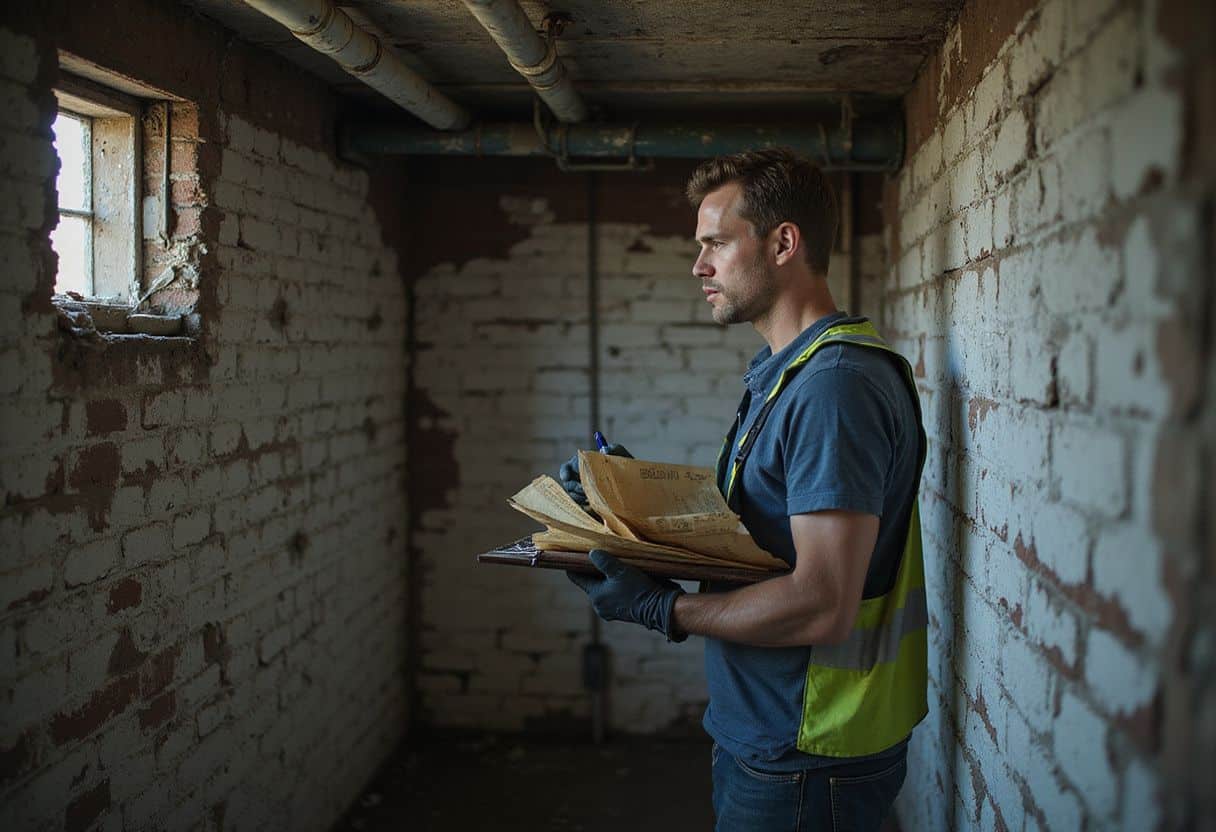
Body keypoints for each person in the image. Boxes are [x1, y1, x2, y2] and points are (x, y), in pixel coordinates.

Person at [561, 148, 928, 831]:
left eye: (716, 245)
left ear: (783, 242)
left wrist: (662, 611)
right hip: (771, 730)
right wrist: (631, 507)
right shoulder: (786, 372)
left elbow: (821, 605)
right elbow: (761, 536)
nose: (698, 267)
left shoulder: (833, 388)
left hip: (809, 749)